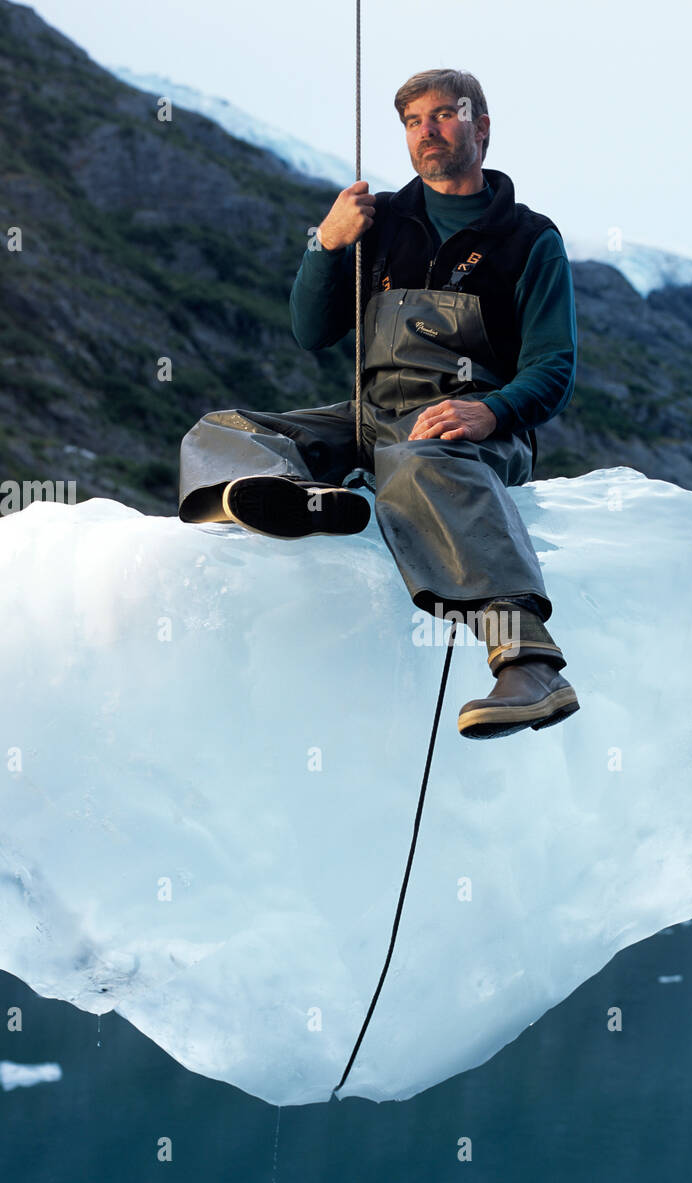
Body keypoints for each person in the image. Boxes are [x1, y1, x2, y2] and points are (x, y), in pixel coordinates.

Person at [177, 68, 579, 739]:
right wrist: (326, 244)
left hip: (469, 425)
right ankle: (304, 502)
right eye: (414, 120)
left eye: (445, 114)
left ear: (481, 127)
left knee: (421, 461)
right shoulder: (379, 222)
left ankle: (531, 663)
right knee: (223, 426)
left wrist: (492, 411)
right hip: (372, 416)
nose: (428, 130)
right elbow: (311, 331)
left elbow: (554, 366)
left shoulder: (529, 239)